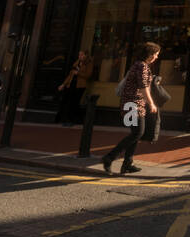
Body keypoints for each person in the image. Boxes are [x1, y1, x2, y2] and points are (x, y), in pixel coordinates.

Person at [103, 42, 160, 175]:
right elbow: (143, 87)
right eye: (156, 54)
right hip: (133, 104)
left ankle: (127, 164)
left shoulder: (138, 65)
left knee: (135, 133)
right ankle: (109, 157)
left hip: (131, 103)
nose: (157, 57)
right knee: (137, 133)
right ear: (150, 54)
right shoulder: (142, 66)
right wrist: (151, 103)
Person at [54, 51, 91, 125]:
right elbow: (70, 74)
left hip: (80, 85)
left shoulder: (88, 64)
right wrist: (63, 84)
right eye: (79, 54)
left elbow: (88, 75)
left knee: (75, 102)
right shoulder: (76, 63)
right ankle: (63, 119)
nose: (80, 56)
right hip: (71, 84)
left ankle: (75, 120)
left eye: (81, 55)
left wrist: (78, 73)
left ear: (86, 55)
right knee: (66, 101)